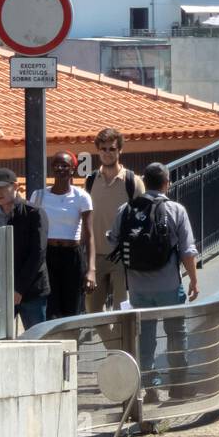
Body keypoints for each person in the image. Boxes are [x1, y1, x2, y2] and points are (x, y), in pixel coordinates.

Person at [109, 163, 200, 403]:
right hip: (169, 285)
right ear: (166, 183)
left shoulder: (126, 209)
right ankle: (179, 385)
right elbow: (187, 251)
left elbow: (113, 239)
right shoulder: (176, 210)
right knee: (176, 334)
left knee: (145, 338)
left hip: (137, 287)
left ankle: (151, 388)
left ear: (144, 182)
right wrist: (193, 280)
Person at [84, 128, 144, 315]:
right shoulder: (90, 180)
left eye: (112, 149)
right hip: (96, 257)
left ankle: (124, 344)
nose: (107, 153)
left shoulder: (132, 181)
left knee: (123, 313)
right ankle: (113, 345)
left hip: (123, 258)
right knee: (92, 312)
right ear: (98, 150)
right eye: (103, 149)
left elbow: (143, 219)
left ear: (120, 151)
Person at [0, 169, 50, 332]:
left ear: (16, 187)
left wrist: (19, 288)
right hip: (3, 289)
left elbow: (38, 253)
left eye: (3, 187)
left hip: (31, 290)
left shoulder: (34, 213)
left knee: (37, 338)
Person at [31, 152, 93, 319]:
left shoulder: (82, 197)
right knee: (50, 309)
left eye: (65, 165)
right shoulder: (39, 196)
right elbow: (32, 230)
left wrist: (91, 270)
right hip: (48, 256)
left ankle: (72, 344)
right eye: (57, 165)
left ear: (72, 169)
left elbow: (89, 235)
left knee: (72, 310)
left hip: (72, 256)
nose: (60, 168)